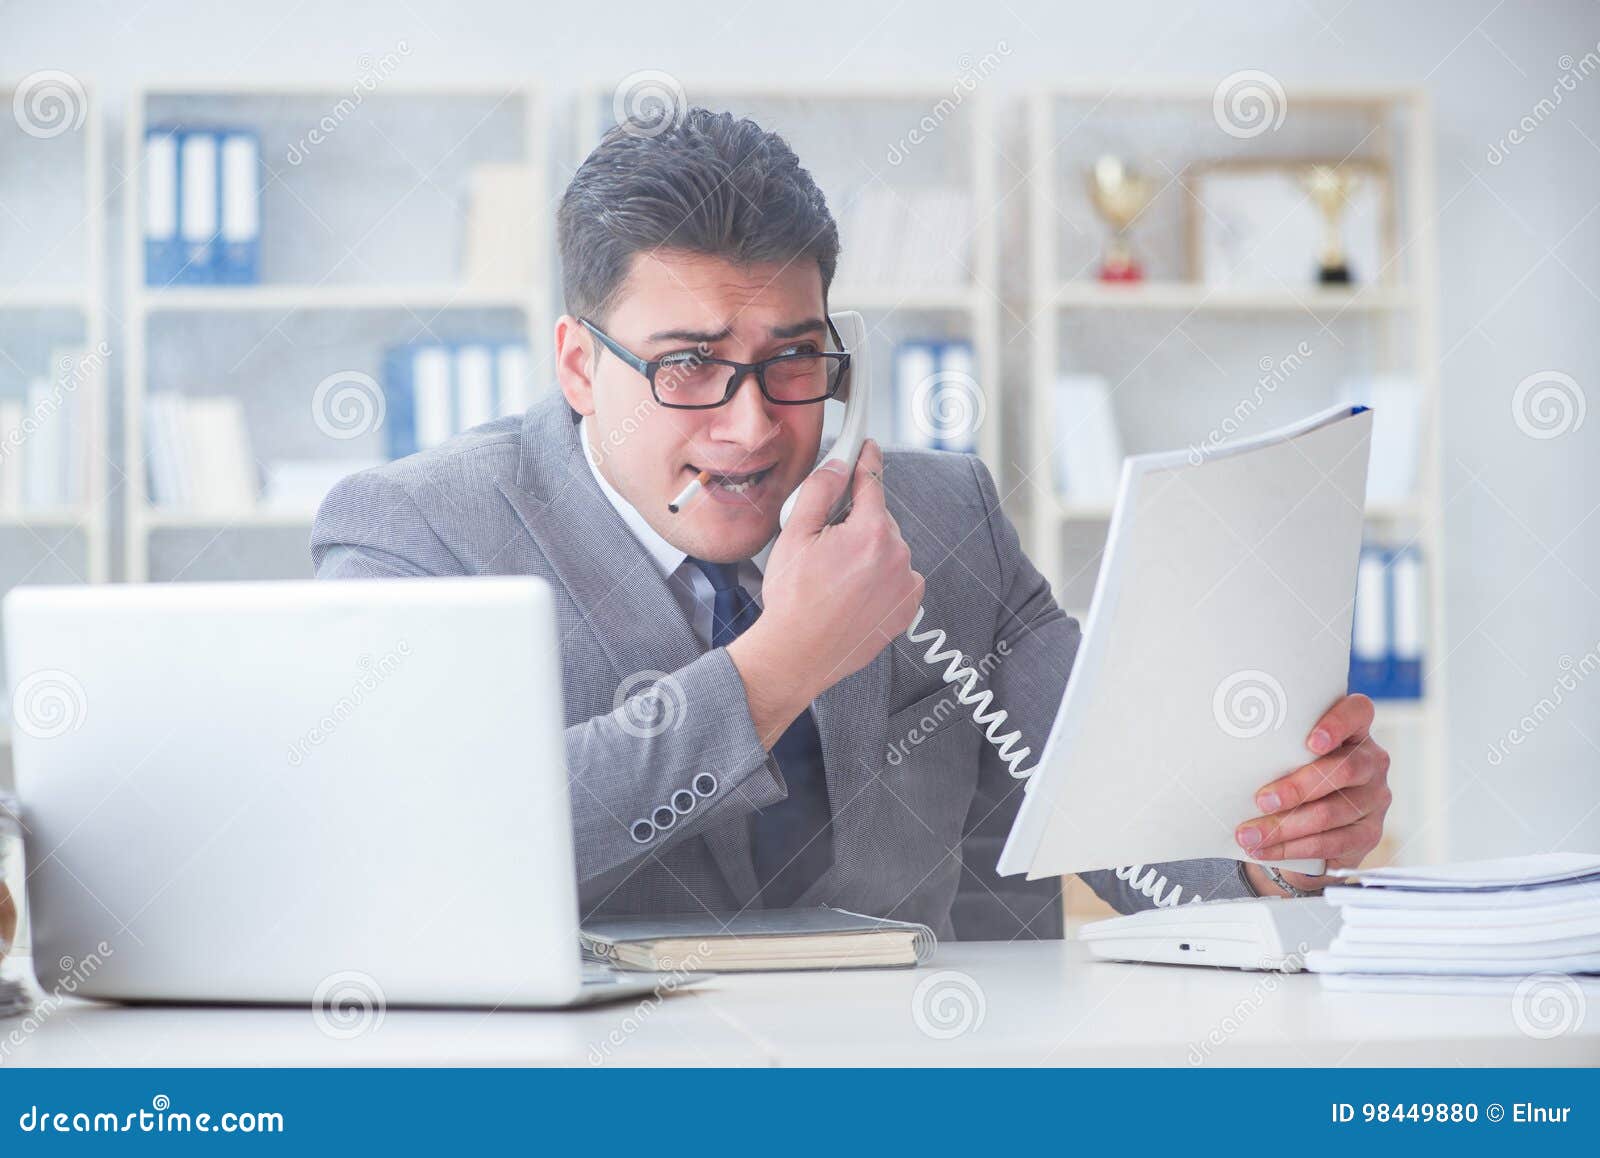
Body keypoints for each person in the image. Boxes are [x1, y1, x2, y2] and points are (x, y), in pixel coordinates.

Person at [312, 108, 1391, 940]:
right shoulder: (418, 534)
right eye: (687, 365)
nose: (751, 427)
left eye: (793, 359)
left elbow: (1133, 831)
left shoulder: (941, 516)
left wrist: (1276, 851)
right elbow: (417, 852)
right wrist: (775, 670)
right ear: (580, 367)